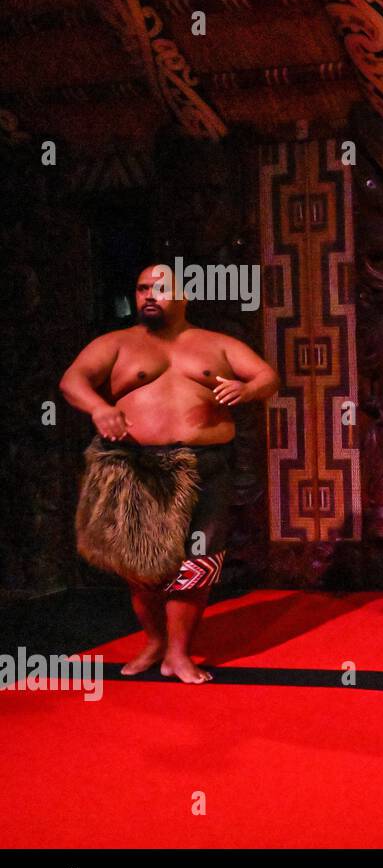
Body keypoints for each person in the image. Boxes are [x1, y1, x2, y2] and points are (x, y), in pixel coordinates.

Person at [61, 263, 278, 683]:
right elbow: (73, 380)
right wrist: (100, 407)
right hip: (138, 467)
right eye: (142, 288)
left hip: (205, 468)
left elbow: (268, 377)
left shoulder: (215, 344)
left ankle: (178, 654)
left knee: (198, 564)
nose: (149, 296)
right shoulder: (117, 344)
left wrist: (247, 390)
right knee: (141, 565)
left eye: (159, 288)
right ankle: (155, 641)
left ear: (185, 294)